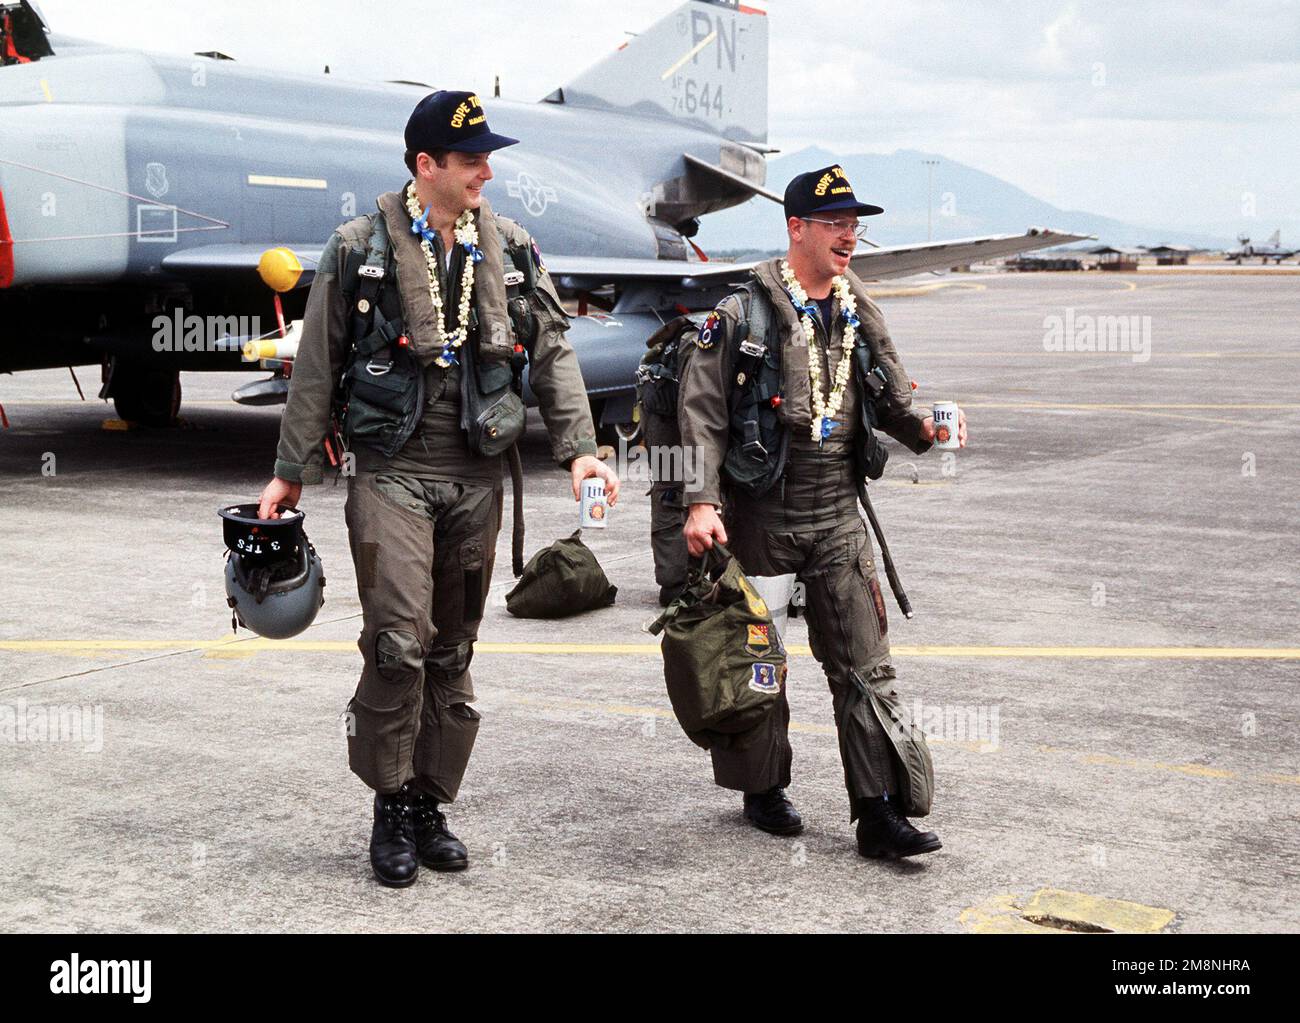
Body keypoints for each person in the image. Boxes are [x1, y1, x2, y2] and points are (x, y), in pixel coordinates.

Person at [257, 91, 619, 887]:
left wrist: (580, 452)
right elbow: (316, 364)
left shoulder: (513, 248)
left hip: (477, 474)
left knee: (453, 646)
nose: (486, 170)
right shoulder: (357, 248)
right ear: (427, 166)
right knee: (398, 641)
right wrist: (289, 473)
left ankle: (429, 801)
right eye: (471, 159)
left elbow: (553, 353)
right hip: (391, 468)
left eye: (487, 158)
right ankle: (388, 805)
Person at [677, 164, 966, 859]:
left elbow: (891, 396)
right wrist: (700, 501)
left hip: (838, 514)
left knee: (868, 664)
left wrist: (926, 429)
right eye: (836, 224)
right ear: (796, 228)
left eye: (854, 226)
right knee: (759, 664)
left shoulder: (858, 309)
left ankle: (878, 811)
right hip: (762, 517)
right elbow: (702, 414)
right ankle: (762, 788)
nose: (850, 237)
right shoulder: (741, 315)